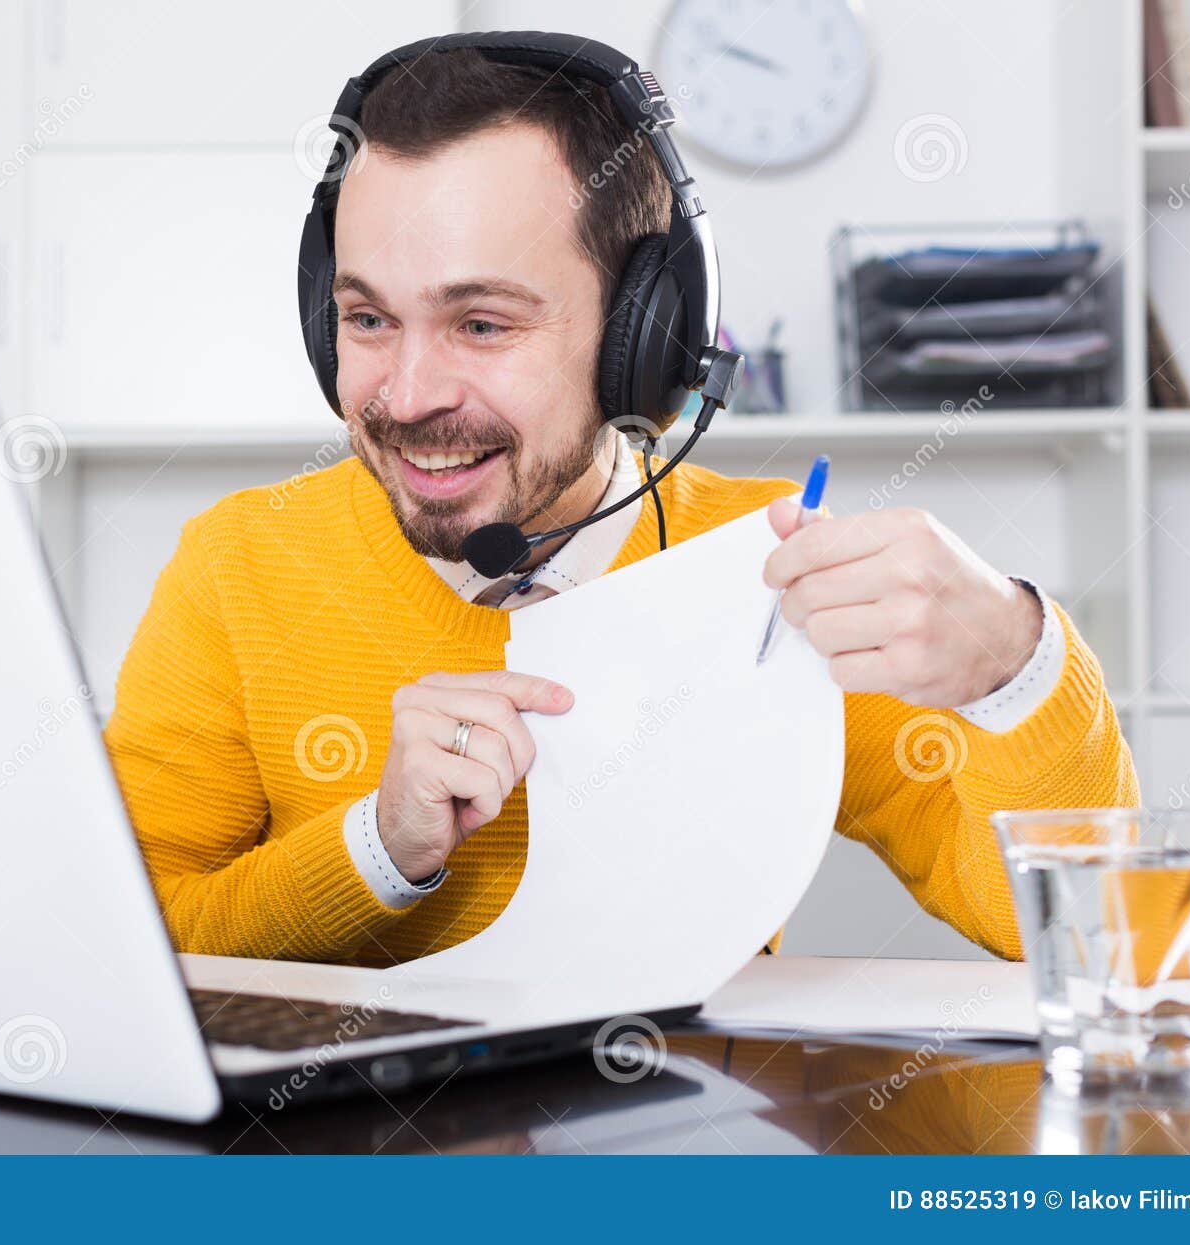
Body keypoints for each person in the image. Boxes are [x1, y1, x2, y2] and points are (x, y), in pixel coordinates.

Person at [103, 39, 1136, 968]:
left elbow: (1084, 940)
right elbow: (120, 945)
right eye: (368, 317)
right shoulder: (236, 564)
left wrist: (1020, 663)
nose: (407, 396)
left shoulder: (770, 571)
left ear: (646, 335)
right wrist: (380, 846)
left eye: (482, 325)